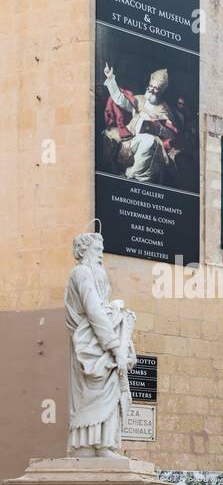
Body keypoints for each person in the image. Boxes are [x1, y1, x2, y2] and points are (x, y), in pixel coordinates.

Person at [65, 232, 136, 457]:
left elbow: (100, 307)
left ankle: (103, 445)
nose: (100, 256)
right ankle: (88, 446)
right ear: (84, 251)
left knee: (108, 392)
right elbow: (93, 309)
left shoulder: (92, 273)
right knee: (93, 393)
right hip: (91, 344)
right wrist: (116, 348)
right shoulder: (81, 272)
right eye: (97, 250)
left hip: (100, 341)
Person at [102, 64, 182, 183]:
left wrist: (159, 127)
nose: (151, 90)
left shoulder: (164, 110)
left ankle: (129, 176)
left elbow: (172, 133)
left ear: (161, 91)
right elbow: (119, 99)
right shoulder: (139, 99)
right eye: (150, 86)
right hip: (129, 135)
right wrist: (110, 78)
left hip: (146, 141)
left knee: (148, 142)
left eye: (155, 88)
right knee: (107, 134)